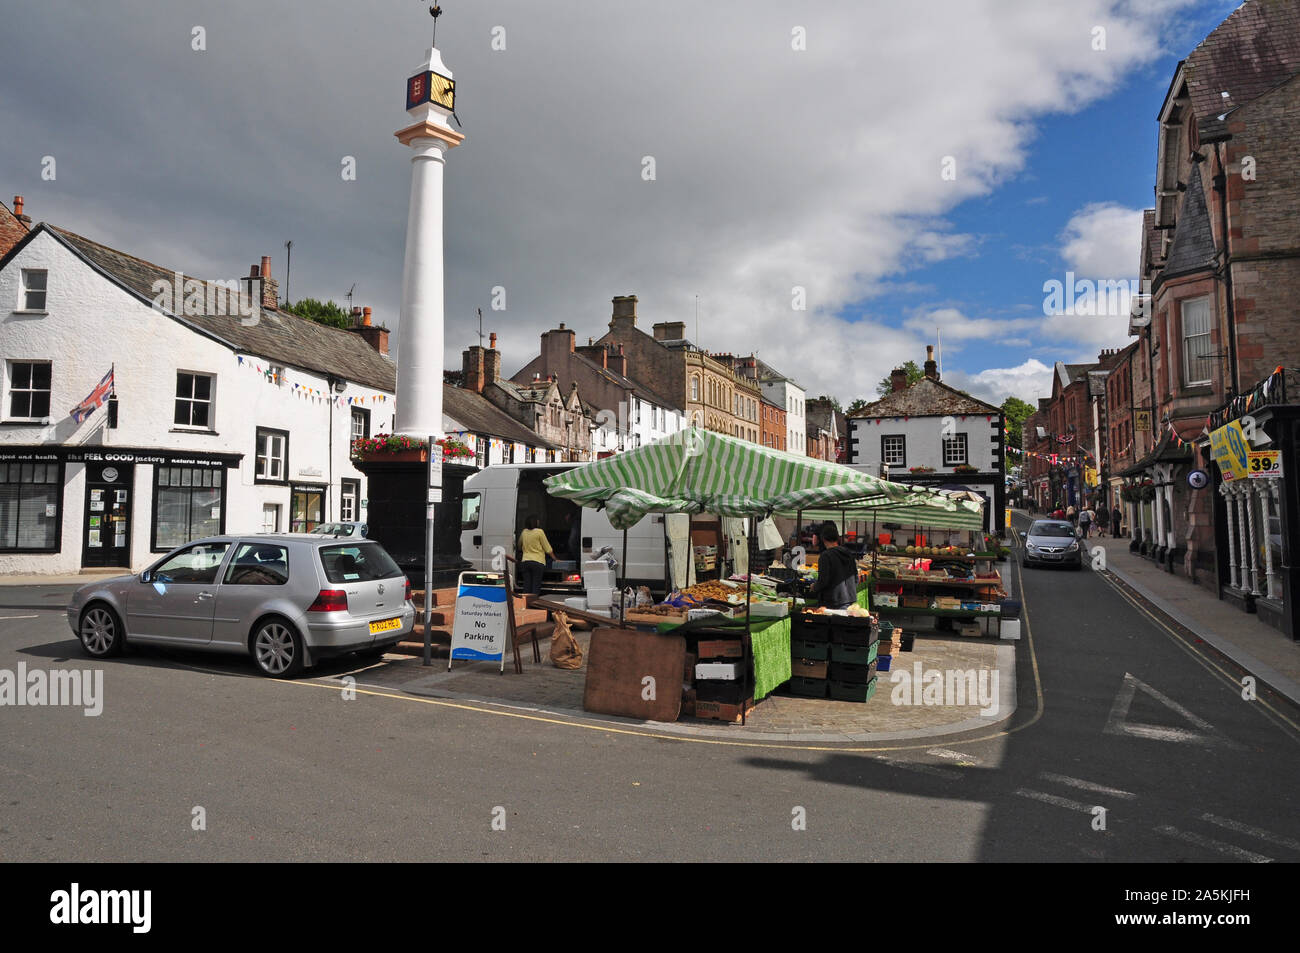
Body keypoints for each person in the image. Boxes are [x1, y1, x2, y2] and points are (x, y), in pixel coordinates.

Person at [807, 521, 858, 610]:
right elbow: (856, 577)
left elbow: (823, 581)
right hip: (850, 599)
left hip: (833, 601)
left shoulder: (825, 556)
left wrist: (814, 587)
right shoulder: (848, 553)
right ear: (837, 538)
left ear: (823, 539)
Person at [517, 515, 553, 595]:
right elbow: (547, 548)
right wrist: (555, 558)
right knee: (535, 586)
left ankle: (524, 604)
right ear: (535, 522)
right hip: (537, 562)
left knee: (527, 585)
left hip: (525, 562)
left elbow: (519, 545)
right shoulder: (540, 532)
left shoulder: (524, 532)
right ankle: (533, 604)